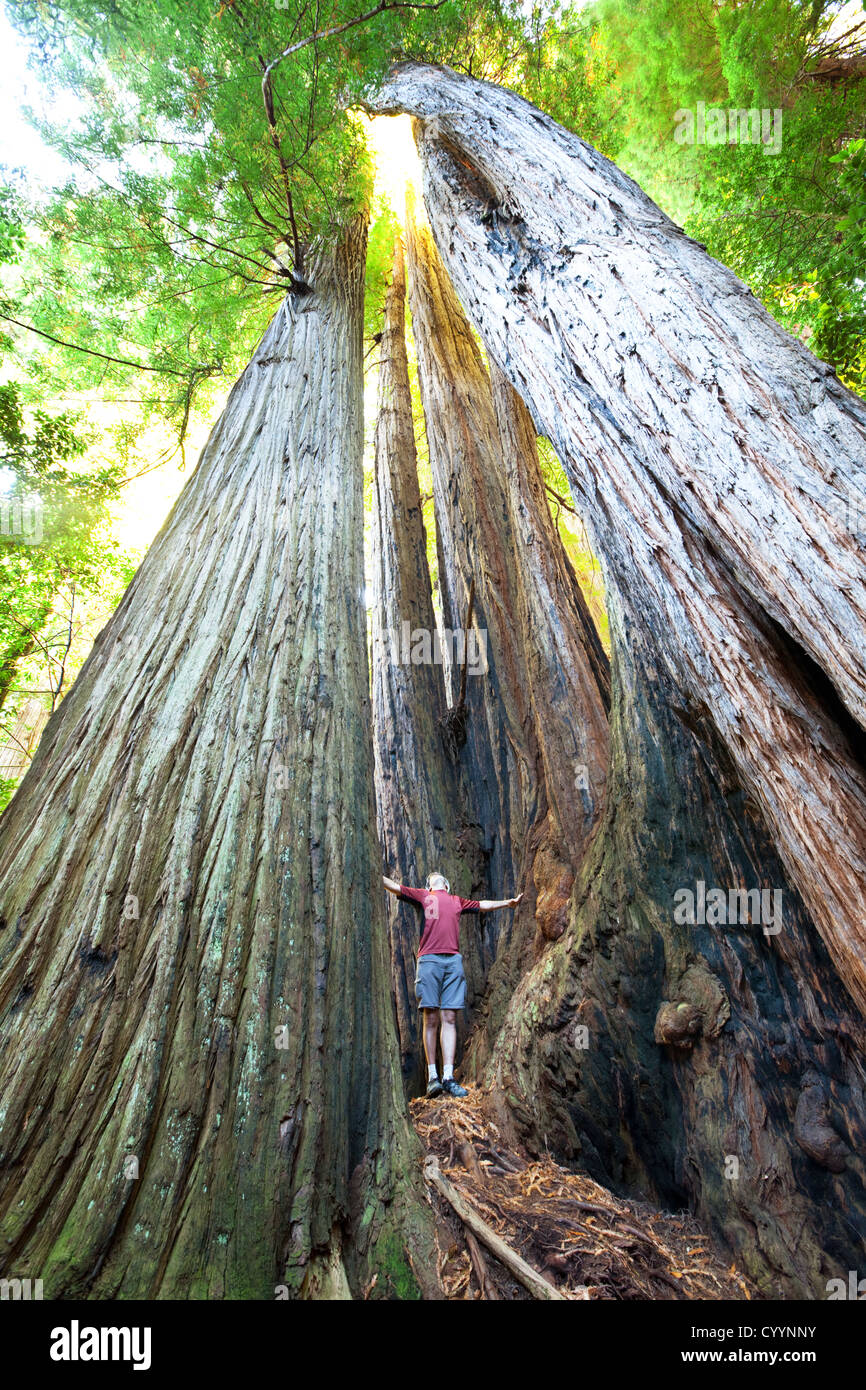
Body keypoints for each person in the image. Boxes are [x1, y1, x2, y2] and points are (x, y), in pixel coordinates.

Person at [383, 870, 523, 1097]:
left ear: (447, 885)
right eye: (431, 877)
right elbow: (396, 887)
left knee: (449, 1017)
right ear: (429, 886)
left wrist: (507, 904)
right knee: (430, 1017)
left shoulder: (457, 901)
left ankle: (448, 1076)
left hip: (453, 962)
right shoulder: (422, 896)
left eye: (438, 876)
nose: (435, 876)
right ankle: (432, 1079)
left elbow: (482, 905)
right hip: (429, 960)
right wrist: (375, 874)